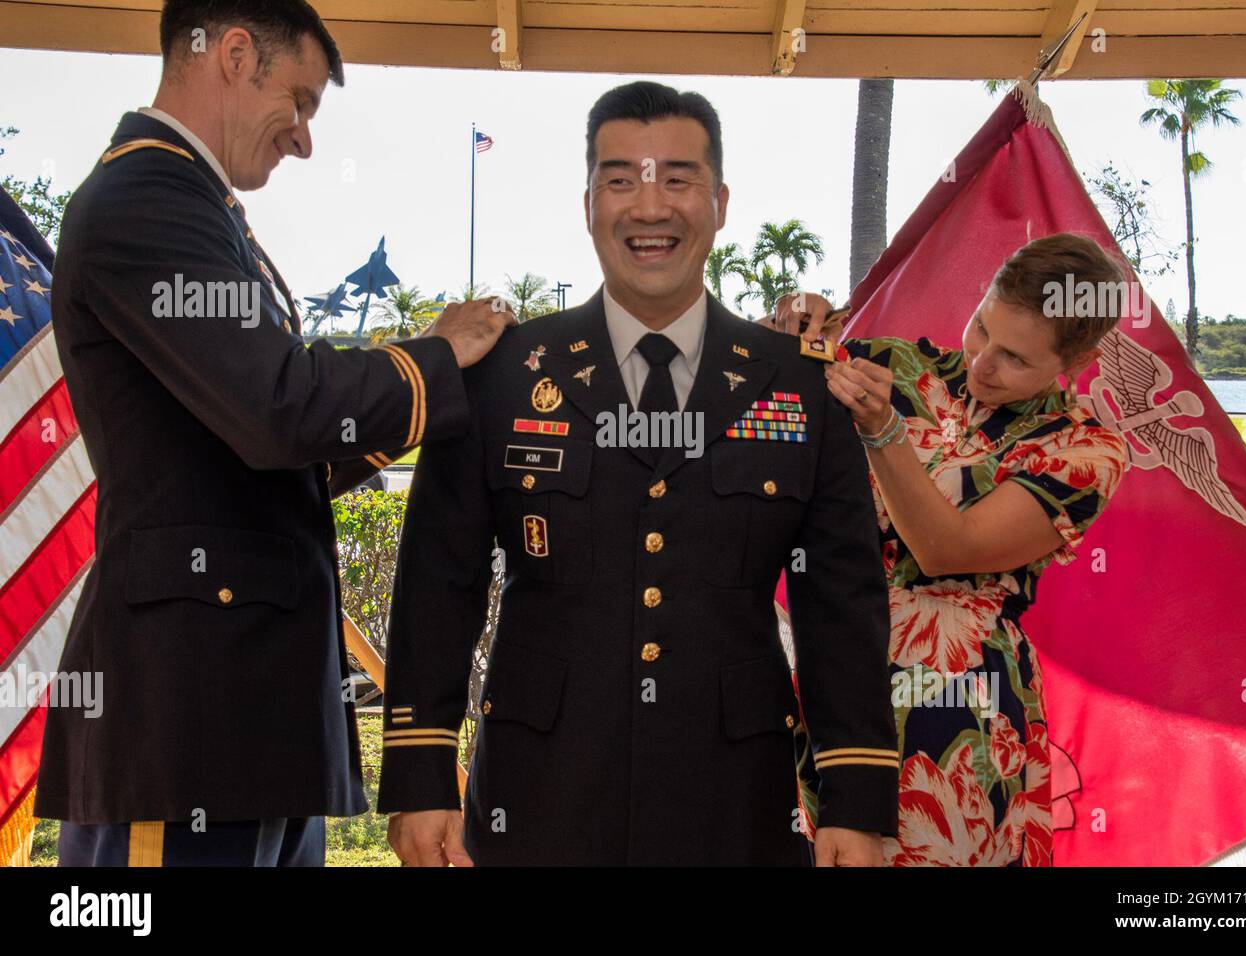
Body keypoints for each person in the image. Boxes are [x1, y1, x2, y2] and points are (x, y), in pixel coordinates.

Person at [37, 0, 513, 866]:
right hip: (184, 725)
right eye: (296, 101)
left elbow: (279, 454)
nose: (303, 139)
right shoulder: (145, 199)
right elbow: (280, 407)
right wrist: (432, 360)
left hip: (246, 719)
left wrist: (439, 394)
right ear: (231, 53)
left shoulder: (200, 208)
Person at [377, 80, 899, 866]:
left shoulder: (796, 384)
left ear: (720, 201)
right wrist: (420, 773)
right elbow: (438, 582)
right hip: (539, 794)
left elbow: (842, 603)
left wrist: (854, 796)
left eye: (678, 179)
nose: (649, 208)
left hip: (736, 801)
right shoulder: (502, 373)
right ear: (587, 202)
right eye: (620, 180)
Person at [771, 233, 1129, 865]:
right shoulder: (897, 368)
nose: (982, 363)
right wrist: (796, 324)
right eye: (980, 327)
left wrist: (883, 432)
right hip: (830, 671)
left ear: (1077, 361)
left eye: (1015, 358)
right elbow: (751, 377)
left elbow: (945, 548)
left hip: (958, 706)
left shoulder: (1084, 451)